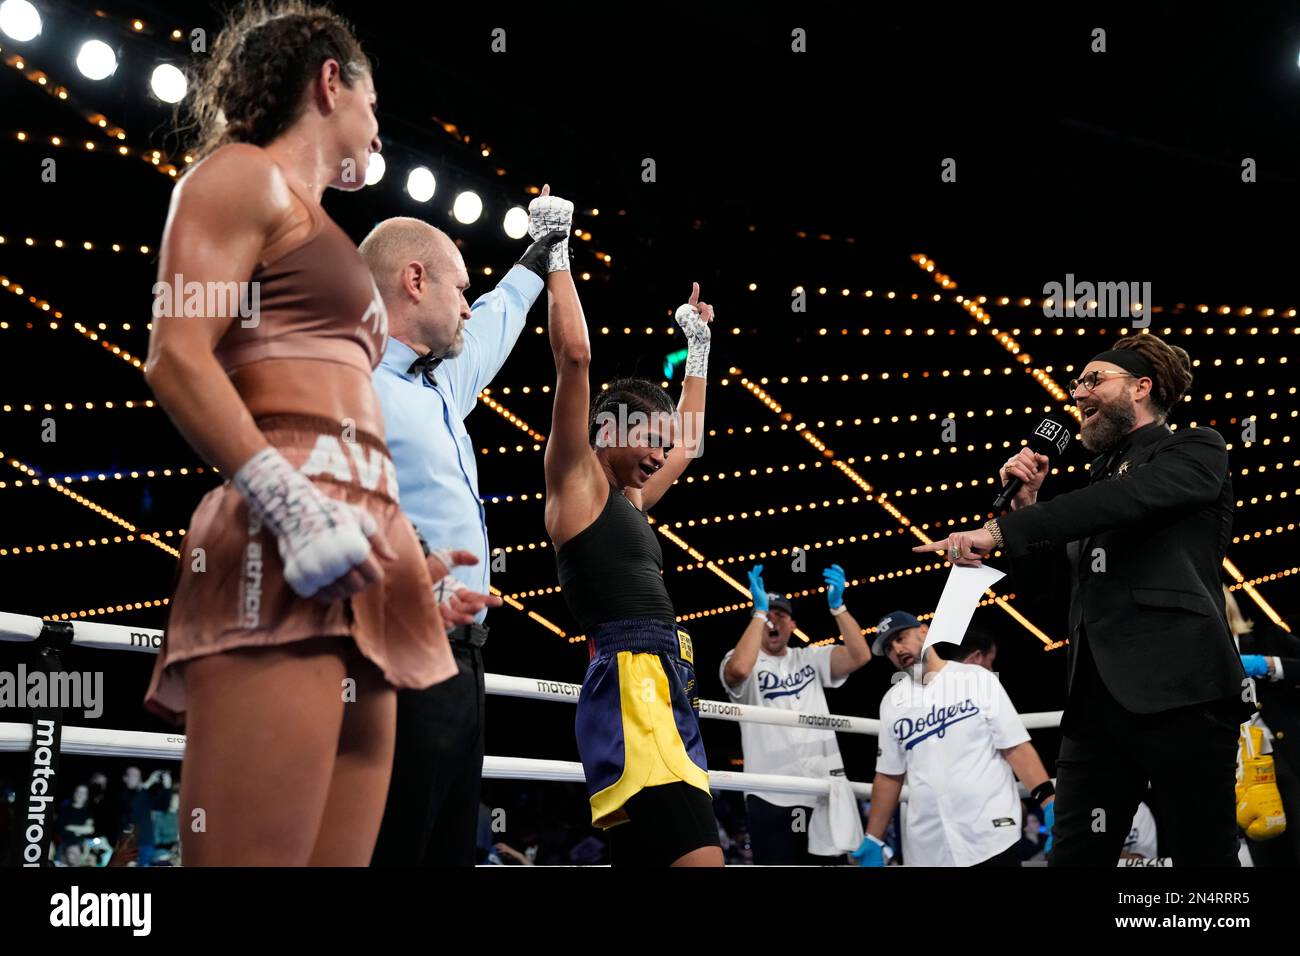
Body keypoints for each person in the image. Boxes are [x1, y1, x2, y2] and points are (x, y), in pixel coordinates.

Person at [142, 1, 461, 865]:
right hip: (281, 534)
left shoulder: (328, 229)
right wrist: (291, 506)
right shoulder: (241, 176)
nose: (377, 127)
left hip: (367, 557)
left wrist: (408, 551)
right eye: (373, 105)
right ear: (332, 82)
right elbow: (175, 355)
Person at [920, 332, 1250, 866]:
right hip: (1095, 704)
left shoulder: (1193, 449)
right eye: (1077, 382)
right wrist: (1022, 508)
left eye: (1093, 379)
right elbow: (1054, 595)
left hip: (1182, 691)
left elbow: (1128, 499)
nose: (1077, 392)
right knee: (1074, 855)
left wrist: (1008, 532)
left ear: (1141, 387)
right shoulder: (1092, 493)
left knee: (1202, 858)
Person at [359, 208, 564, 865]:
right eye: (459, 289)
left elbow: (503, 312)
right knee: (396, 845)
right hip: (391, 652)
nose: (469, 307)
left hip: (464, 658)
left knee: (449, 851)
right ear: (413, 280)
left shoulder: (443, 378)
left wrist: (545, 247)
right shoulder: (347, 384)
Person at [541, 188, 720, 865]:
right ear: (608, 428)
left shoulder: (631, 502)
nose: (658, 452)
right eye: (649, 435)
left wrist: (697, 348)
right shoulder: (577, 483)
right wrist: (556, 251)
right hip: (629, 689)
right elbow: (576, 362)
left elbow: (692, 442)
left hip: (666, 684)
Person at [852, 611, 1056, 867]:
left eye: (901, 638)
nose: (896, 649)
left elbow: (1014, 746)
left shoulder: (977, 678)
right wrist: (873, 837)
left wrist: (1049, 802)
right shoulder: (892, 703)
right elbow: (889, 775)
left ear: (924, 631)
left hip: (991, 836)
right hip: (929, 848)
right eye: (889, 647)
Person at [720, 564, 871, 863]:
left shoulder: (810, 657)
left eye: (780, 616)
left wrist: (839, 608)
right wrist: (758, 614)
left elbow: (859, 655)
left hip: (822, 791)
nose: (772, 621)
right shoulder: (741, 660)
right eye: (767, 615)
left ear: (792, 625)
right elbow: (737, 670)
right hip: (770, 793)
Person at [1227, 587, 1300, 866]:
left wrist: (1270, 665)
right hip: (1236, 767)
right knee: (1264, 851)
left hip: (1282, 757)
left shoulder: (1267, 637)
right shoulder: (1197, 659)